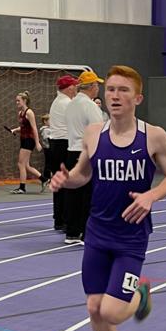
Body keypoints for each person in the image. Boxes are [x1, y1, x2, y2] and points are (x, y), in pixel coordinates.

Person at [50, 65, 166, 331]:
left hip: (130, 238)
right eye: (110, 89)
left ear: (137, 97)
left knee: (111, 311)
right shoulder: (94, 133)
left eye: (123, 90)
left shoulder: (153, 135)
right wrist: (67, 181)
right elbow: (84, 174)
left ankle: (139, 293)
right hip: (97, 233)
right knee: (94, 308)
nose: (115, 95)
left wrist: (151, 195)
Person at [63, 70, 103, 244]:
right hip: (86, 152)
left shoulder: (71, 104)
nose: (99, 88)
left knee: (73, 194)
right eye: (97, 85)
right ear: (92, 86)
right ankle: (87, 233)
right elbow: (98, 131)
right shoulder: (90, 105)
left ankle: (71, 232)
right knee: (88, 195)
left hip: (71, 150)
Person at [48, 75, 78, 230]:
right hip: (64, 144)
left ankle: (58, 219)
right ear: (70, 87)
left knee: (59, 183)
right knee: (67, 183)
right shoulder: (67, 103)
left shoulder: (57, 102)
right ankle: (66, 219)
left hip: (55, 144)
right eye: (75, 86)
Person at [9, 91, 45, 194]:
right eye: (16, 101)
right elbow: (24, 127)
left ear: (24, 101)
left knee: (20, 164)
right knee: (26, 165)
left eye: (18, 101)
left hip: (29, 140)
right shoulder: (20, 113)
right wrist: (15, 130)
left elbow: (34, 128)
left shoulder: (29, 112)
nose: (16, 103)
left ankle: (22, 188)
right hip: (23, 139)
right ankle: (44, 179)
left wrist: (37, 143)